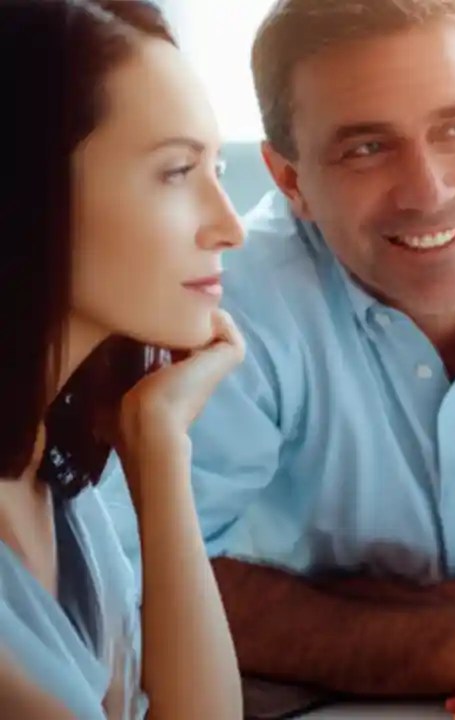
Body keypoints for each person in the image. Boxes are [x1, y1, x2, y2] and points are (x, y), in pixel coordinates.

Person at [98, 0, 455, 714]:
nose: (428, 191)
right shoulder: (231, 306)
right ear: (289, 180)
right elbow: (132, 580)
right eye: (366, 148)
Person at [0, 1, 246, 718]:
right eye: (176, 172)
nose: (230, 225)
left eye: (217, 166)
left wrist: (159, 445)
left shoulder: (56, 475)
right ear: (24, 190)